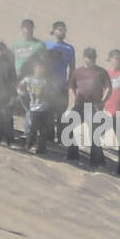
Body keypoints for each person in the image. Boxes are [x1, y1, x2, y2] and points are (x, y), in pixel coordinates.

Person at [68, 47, 111, 166]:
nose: (91, 59)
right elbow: (71, 86)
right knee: (70, 125)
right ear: (84, 57)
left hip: (94, 105)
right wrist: (74, 97)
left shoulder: (101, 72)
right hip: (80, 103)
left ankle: (96, 160)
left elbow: (108, 88)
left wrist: (103, 101)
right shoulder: (77, 72)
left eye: (93, 57)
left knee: (94, 132)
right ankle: (73, 154)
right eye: (89, 57)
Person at [43, 21, 75, 149]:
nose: (62, 32)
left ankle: (61, 138)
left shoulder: (69, 48)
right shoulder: (46, 45)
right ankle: (49, 137)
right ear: (54, 30)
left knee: (60, 112)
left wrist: (69, 83)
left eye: (64, 30)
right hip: (47, 84)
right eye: (59, 29)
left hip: (61, 85)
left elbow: (72, 67)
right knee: (48, 112)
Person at [16, 52, 55, 155]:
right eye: (38, 68)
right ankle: (29, 146)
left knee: (43, 130)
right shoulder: (28, 80)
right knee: (32, 129)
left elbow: (52, 93)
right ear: (34, 68)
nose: (40, 70)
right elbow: (19, 89)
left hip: (45, 109)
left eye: (42, 68)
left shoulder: (46, 81)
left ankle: (42, 148)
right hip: (33, 109)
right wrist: (24, 98)